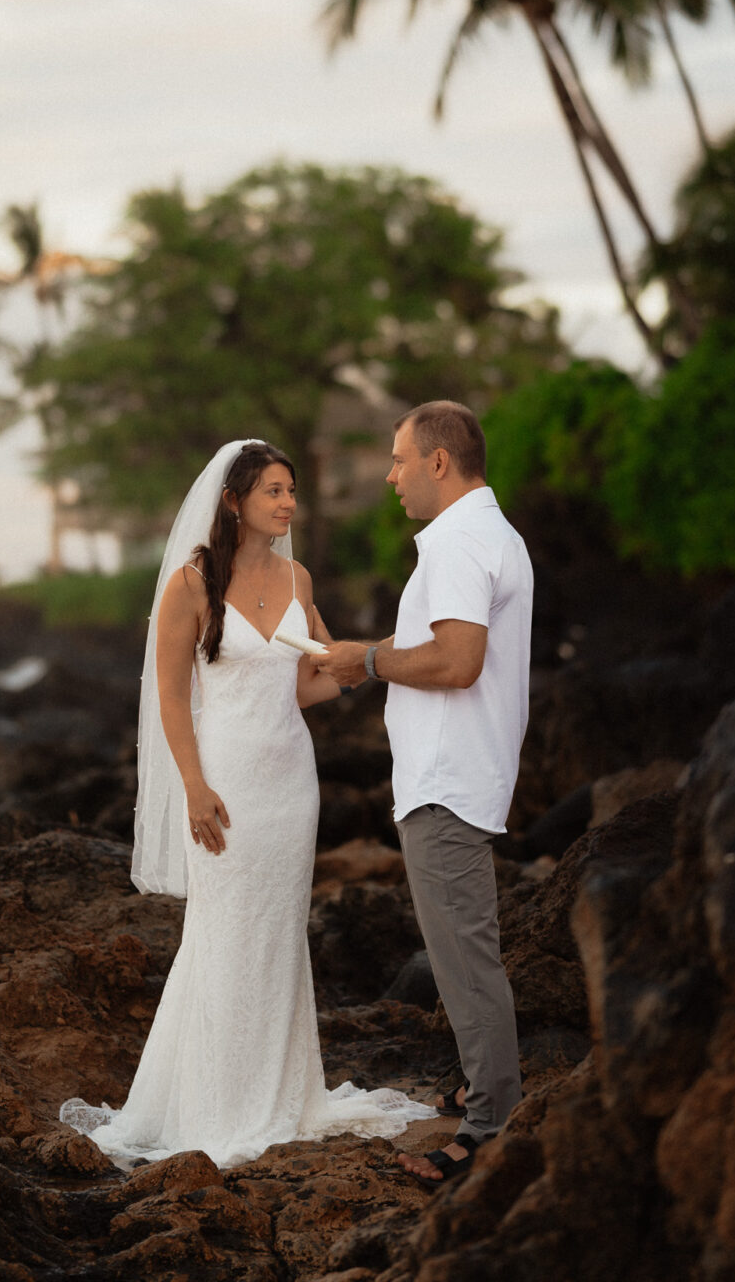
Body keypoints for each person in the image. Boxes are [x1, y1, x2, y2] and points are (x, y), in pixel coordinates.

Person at [60, 439, 432, 1168]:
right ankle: (212, 1106)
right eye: (272, 490)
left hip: (291, 782)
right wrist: (194, 786)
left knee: (278, 933)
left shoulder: (298, 576)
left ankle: (283, 1098)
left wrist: (366, 666)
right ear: (233, 501)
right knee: (223, 932)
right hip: (225, 782)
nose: (287, 502)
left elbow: (309, 682)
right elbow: (170, 697)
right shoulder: (191, 584)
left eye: (291, 490)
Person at [315, 401, 533, 1186]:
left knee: (464, 958)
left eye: (400, 459)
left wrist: (364, 660)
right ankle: (484, 1086)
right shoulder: (488, 533)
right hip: (462, 771)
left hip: (447, 780)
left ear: (439, 462)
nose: (390, 474)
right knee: (463, 948)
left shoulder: (457, 541)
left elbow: (456, 661)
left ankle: (488, 1124)